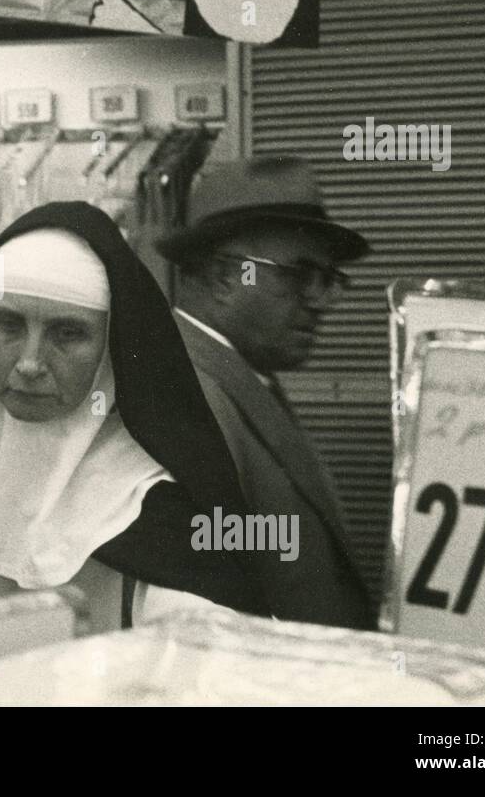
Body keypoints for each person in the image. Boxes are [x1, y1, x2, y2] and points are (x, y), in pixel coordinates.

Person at [0, 202, 268, 630]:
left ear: (111, 348)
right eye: (7, 325)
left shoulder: (161, 519)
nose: (30, 363)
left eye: (67, 333)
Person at [157, 154, 375, 630]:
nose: (321, 302)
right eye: (299, 276)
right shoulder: (189, 399)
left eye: (328, 279)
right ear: (223, 278)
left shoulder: (237, 376)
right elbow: (197, 627)